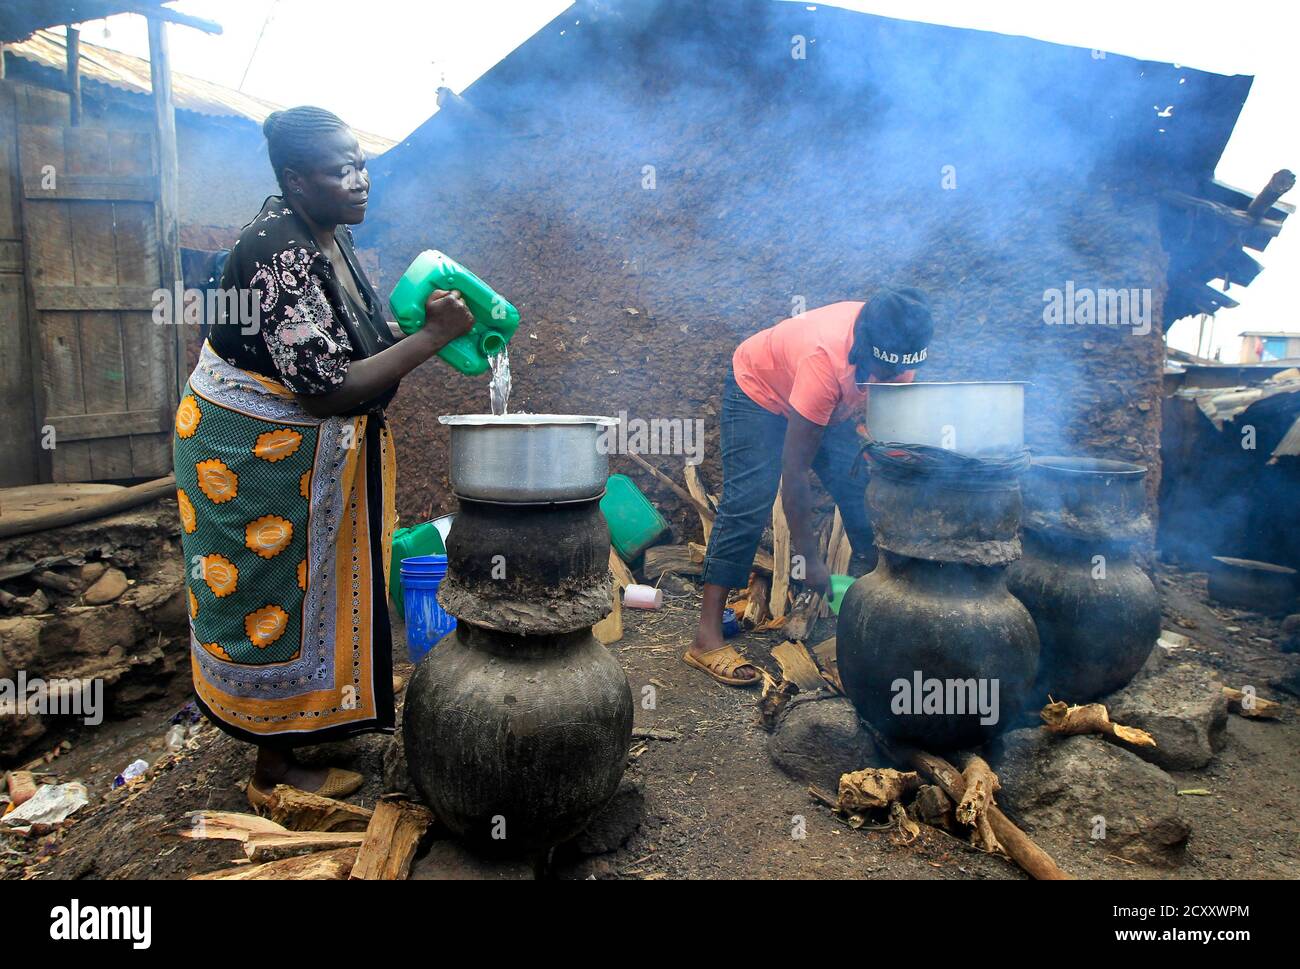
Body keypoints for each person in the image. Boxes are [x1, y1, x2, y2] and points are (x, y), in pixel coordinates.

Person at [173, 106, 474, 806]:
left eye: (362, 162)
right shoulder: (279, 252)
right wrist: (430, 338)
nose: (361, 179)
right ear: (295, 180)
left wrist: (415, 326)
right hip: (248, 449)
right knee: (273, 587)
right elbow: (327, 387)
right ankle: (273, 768)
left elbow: (347, 337)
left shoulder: (324, 229)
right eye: (341, 170)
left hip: (292, 436)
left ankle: (308, 720)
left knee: (316, 582)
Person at [684, 290, 934, 685]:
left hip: (827, 403)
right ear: (864, 349)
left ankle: (877, 612)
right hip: (762, 393)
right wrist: (812, 563)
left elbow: (890, 438)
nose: (884, 382)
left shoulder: (899, 349)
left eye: (893, 375)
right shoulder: (825, 360)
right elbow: (795, 473)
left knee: (861, 490)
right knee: (748, 502)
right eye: (878, 372)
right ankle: (706, 637)